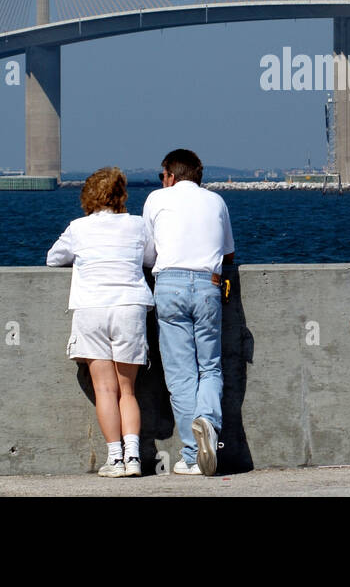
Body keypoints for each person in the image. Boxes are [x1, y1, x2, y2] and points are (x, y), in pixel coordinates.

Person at [47, 167, 156, 478]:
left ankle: (115, 459)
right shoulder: (138, 225)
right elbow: (151, 259)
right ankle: (134, 458)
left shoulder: (78, 228)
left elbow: (53, 258)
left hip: (91, 308)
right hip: (129, 307)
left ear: (88, 195)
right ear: (121, 194)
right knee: (128, 390)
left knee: (105, 390)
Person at [142, 148, 235, 476]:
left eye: (161, 176)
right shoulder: (216, 202)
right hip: (208, 284)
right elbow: (228, 254)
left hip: (169, 285)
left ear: (170, 174)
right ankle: (208, 422)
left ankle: (193, 456)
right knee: (209, 367)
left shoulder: (155, 199)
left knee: (181, 376)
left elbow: (149, 254)